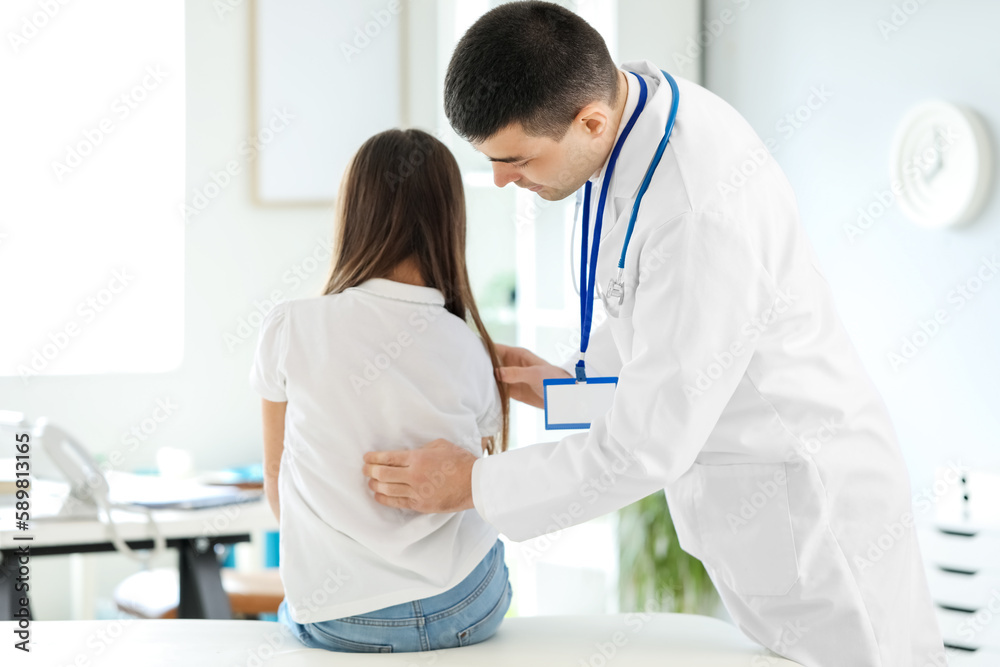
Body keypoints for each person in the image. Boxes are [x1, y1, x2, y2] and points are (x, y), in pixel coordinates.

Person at [362, 3, 945, 665]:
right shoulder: (627, 118)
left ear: (590, 121)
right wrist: (561, 388)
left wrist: (472, 482)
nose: (499, 180)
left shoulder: (699, 208)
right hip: (756, 512)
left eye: (516, 159)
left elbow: (642, 448)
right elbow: (655, 328)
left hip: (817, 522)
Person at [249, 128, 512, 653]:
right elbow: (483, 475)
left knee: (283, 613)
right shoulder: (469, 344)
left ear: (353, 213)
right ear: (450, 221)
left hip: (343, 617)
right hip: (468, 603)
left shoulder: (292, 326)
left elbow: (276, 479)